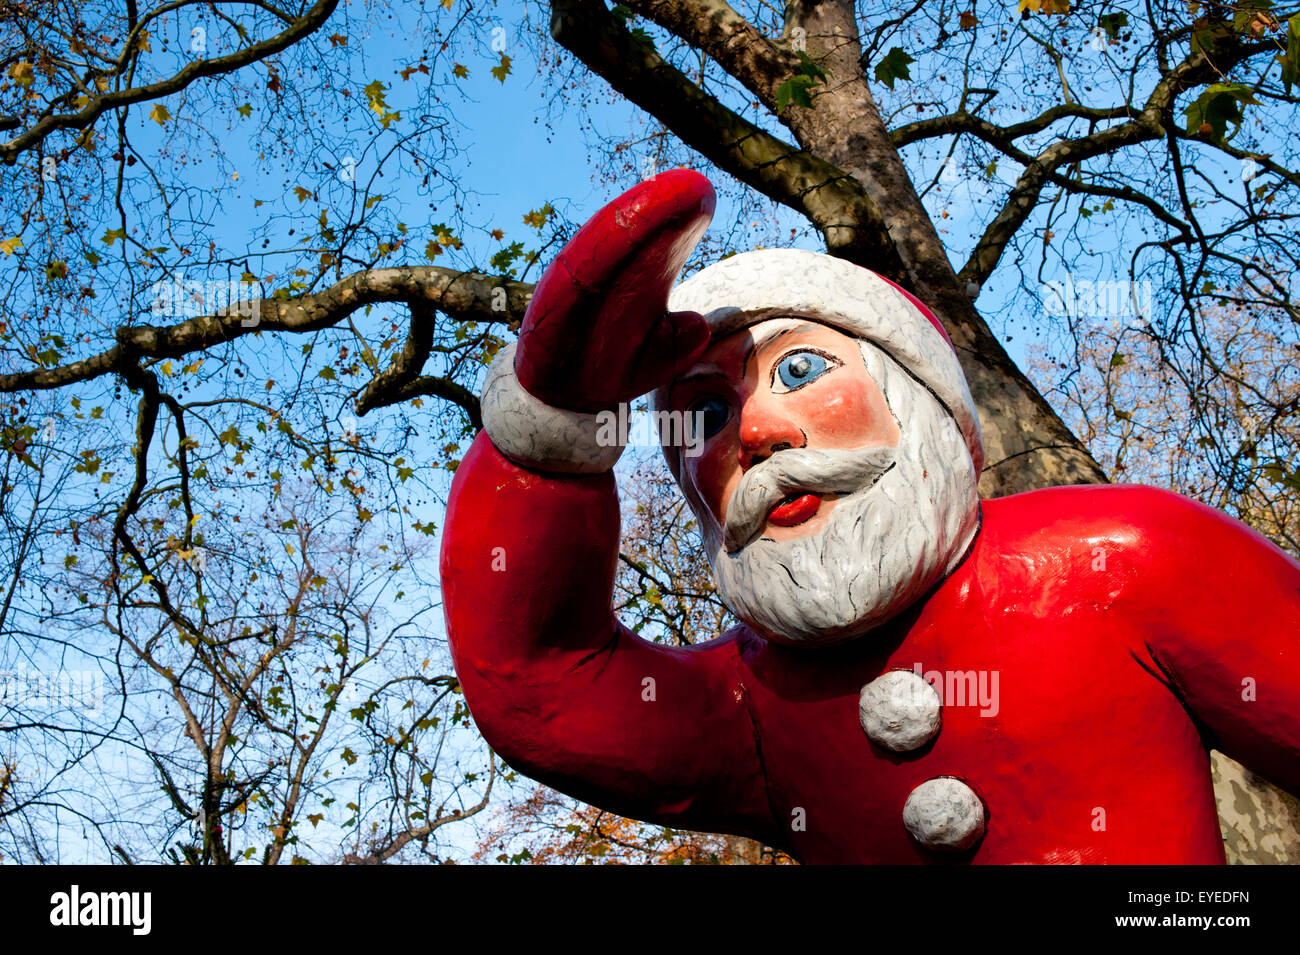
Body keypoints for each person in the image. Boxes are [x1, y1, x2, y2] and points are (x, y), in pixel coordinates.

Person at [440, 169, 1300, 863]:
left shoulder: (1128, 557)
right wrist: (547, 430)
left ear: (911, 397)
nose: (761, 433)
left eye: (802, 369)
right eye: (704, 417)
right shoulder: (751, 705)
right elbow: (542, 684)